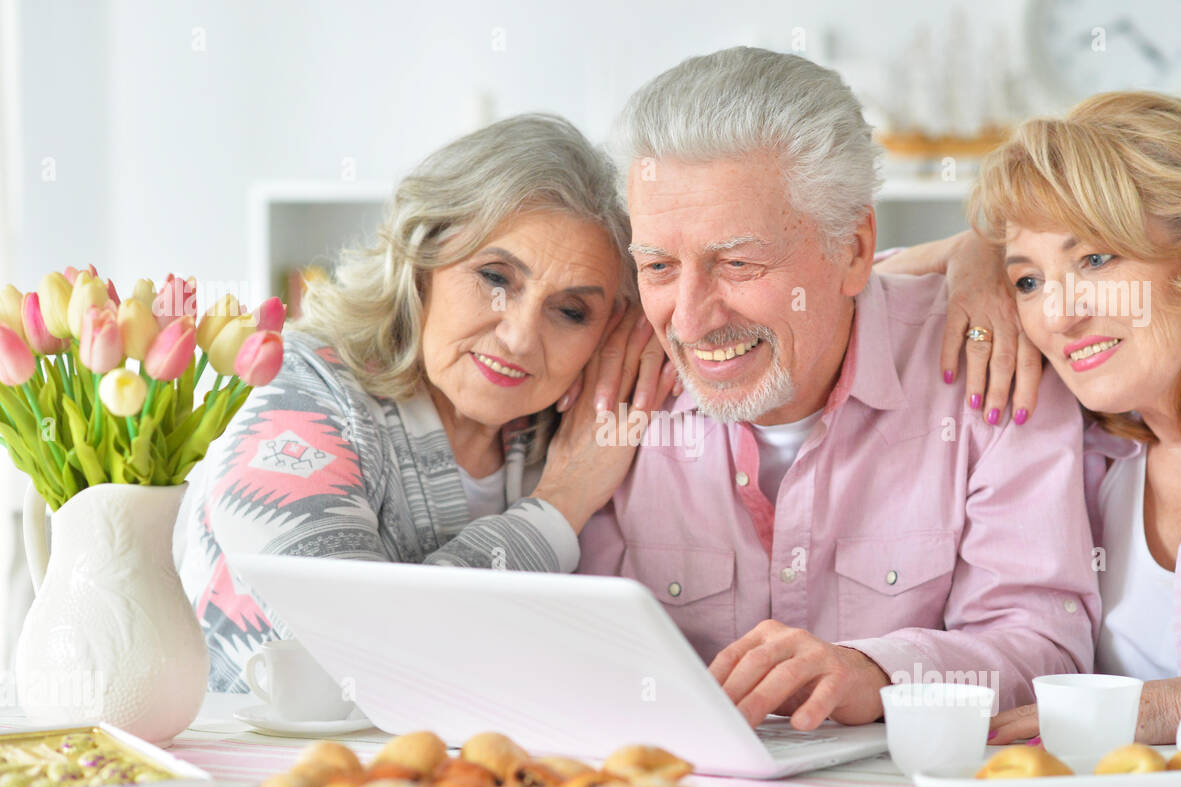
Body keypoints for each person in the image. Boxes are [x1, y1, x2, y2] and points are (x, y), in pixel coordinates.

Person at [577, 47, 1102, 730]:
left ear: (853, 251)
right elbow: (578, 642)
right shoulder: (617, 380)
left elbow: (1049, 646)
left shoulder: (990, 361)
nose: (689, 318)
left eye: (737, 262)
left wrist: (879, 673)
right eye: (657, 265)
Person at [179, 114, 675, 691]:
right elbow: (352, 663)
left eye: (570, 312)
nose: (519, 337)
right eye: (495, 277)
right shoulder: (298, 392)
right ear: (422, 258)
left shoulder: (557, 427)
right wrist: (562, 503)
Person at [947, 91, 1181, 745]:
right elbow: (841, 284)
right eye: (1027, 281)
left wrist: (1162, 708)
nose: (1058, 315)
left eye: (1095, 259)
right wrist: (964, 261)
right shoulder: (1085, 442)